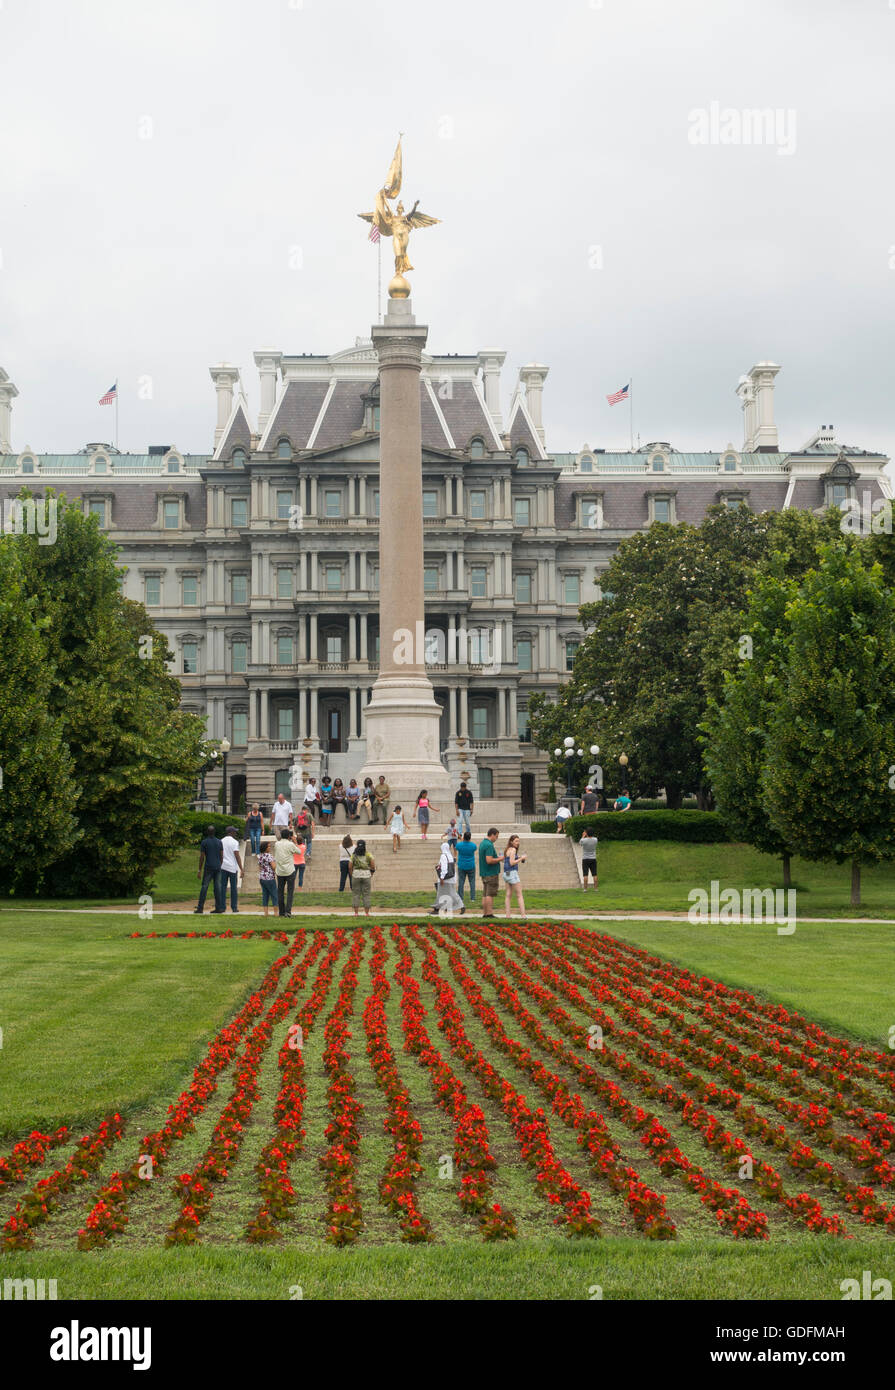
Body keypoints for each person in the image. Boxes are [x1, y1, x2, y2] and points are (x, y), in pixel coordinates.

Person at [195, 825, 225, 914]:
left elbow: (202, 857)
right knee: (217, 888)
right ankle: (218, 908)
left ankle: (200, 908)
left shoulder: (204, 842)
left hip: (208, 867)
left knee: (204, 887)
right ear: (214, 832)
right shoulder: (219, 842)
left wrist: (199, 870)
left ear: (207, 832)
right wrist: (220, 864)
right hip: (217, 867)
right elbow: (221, 856)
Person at [433, 835, 464, 915]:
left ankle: (437, 909)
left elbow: (444, 868)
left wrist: (442, 878)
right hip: (451, 878)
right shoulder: (450, 855)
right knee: (453, 893)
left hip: (445, 879)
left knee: (440, 893)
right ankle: (461, 906)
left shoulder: (443, 856)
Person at [274, 829, 298, 917]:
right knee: (290, 892)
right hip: (290, 870)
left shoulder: (277, 844)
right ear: (289, 836)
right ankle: (288, 911)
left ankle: (281, 912)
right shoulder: (290, 844)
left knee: (280, 892)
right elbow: (298, 852)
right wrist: (295, 842)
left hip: (280, 871)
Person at [478, 828, 501, 919]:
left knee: (485, 894)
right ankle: (489, 914)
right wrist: (501, 858)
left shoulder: (483, 843)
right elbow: (489, 860)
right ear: (492, 834)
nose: (496, 838)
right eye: (496, 836)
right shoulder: (489, 845)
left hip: (484, 872)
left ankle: (485, 913)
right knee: (490, 894)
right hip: (491, 873)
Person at [349, 839, 375, 917]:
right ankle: (366, 913)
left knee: (356, 894)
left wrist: (352, 874)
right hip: (366, 874)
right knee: (366, 894)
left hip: (356, 874)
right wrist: (371, 874)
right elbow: (373, 866)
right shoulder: (368, 855)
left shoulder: (354, 855)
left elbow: (350, 866)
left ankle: (356, 913)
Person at [502, 834, 526, 918]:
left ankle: (508, 915)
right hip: (512, 873)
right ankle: (523, 915)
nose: (518, 843)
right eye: (516, 841)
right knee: (519, 895)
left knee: (508, 895)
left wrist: (518, 857)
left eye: (518, 841)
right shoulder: (513, 850)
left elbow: (508, 859)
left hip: (506, 874)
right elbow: (512, 863)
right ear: (511, 841)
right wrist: (521, 859)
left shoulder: (507, 850)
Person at [220, 826, 244, 913]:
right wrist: (241, 868)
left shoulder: (221, 841)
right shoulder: (234, 842)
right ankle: (234, 907)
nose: (236, 833)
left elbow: (220, 854)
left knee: (223, 887)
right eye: (235, 832)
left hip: (223, 867)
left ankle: (222, 907)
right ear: (231, 832)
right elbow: (237, 855)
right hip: (232, 868)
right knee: (233, 888)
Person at [456, 829, 478, 904]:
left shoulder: (459, 845)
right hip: (471, 865)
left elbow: (457, 847)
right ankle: (472, 898)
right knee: (472, 882)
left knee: (461, 882)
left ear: (464, 837)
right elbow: (474, 848)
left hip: (461, 865)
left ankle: (460, 898)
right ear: (470, 838)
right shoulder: (473, 845)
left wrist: (462, 840)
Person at [258, 842, 277, 916]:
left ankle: (266, 913)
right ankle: (276, 913)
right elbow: (273, 867)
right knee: (274, 895)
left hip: (262, 878)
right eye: (268, 846)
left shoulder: (260, 856)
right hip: (270, 878)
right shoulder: (269, 856)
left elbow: (259, 867)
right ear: (265, 848)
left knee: (265, 895)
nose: (269, 847)